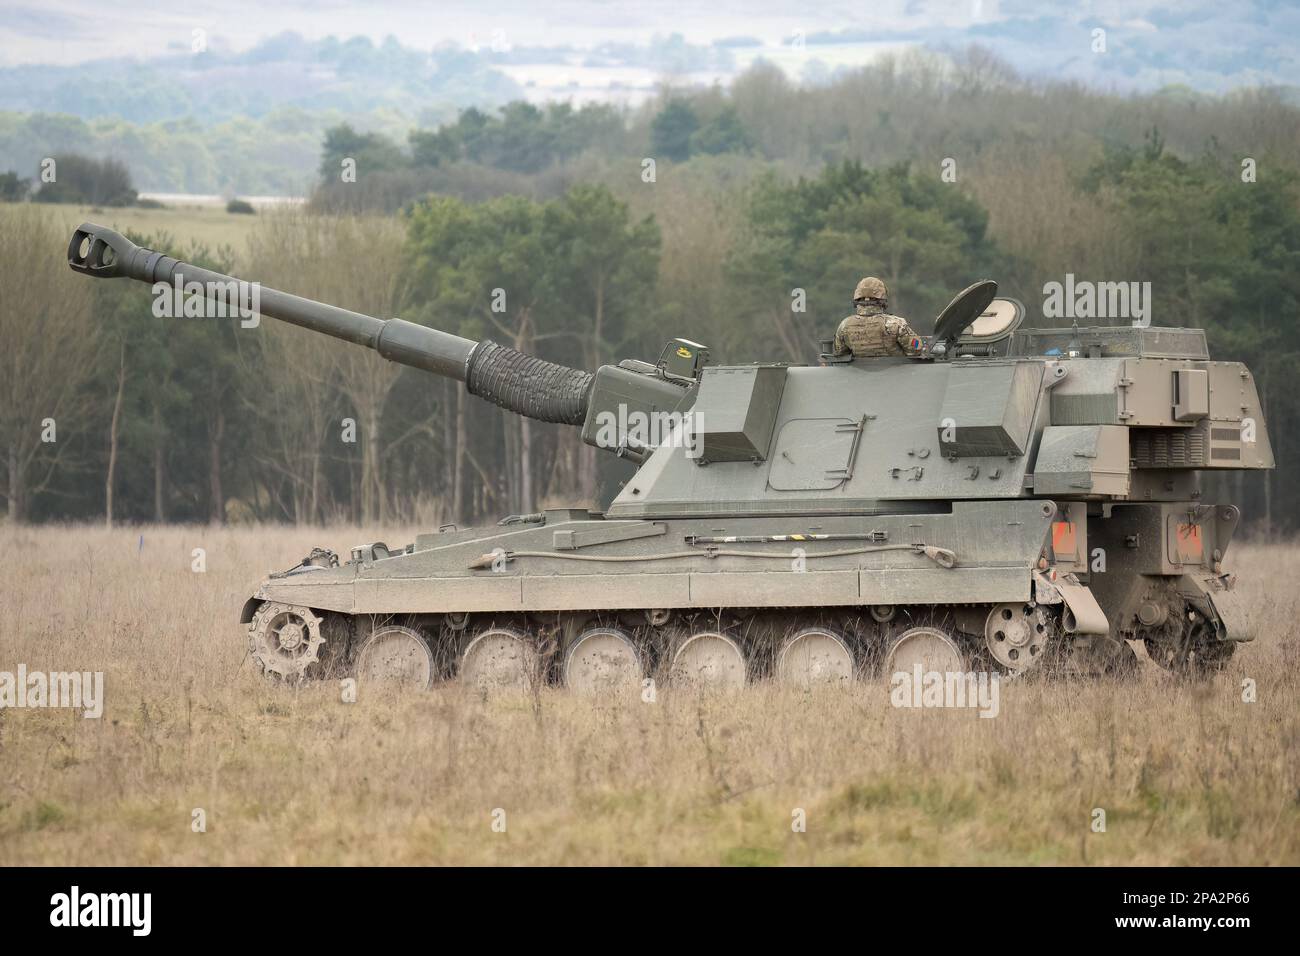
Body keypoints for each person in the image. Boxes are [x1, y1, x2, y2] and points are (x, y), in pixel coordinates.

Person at [832, 276, 925, 359]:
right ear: (882, 299)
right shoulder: (896, 324)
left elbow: (840, 354)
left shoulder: (844, 326)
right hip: (896, 375)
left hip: (860, 376)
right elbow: (916, 348)